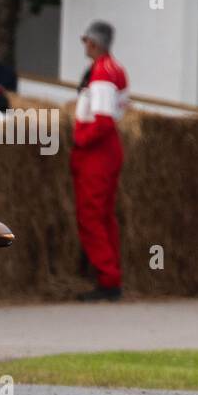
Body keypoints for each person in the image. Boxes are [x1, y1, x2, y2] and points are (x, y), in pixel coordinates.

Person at [71, 21, 128, 302]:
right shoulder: (114, 68)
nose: (85, 46)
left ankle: (108, 279)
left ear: (93, 43)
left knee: (91, 215)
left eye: (86, 41)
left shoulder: (103, 73)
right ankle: (110, 275)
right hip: (105, 150)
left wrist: (79, 140)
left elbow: (103, 121)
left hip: (96, 150)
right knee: (103, 215)